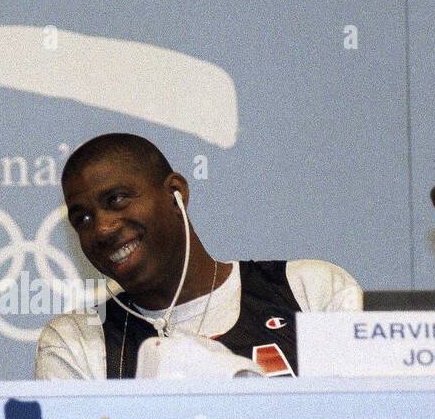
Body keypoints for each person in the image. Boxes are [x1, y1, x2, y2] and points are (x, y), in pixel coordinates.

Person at [34, 133, 362, 380]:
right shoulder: (76, 342)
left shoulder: (311, 290)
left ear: (176, 193)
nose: (102, 228)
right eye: (83, 219)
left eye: (117, 199)